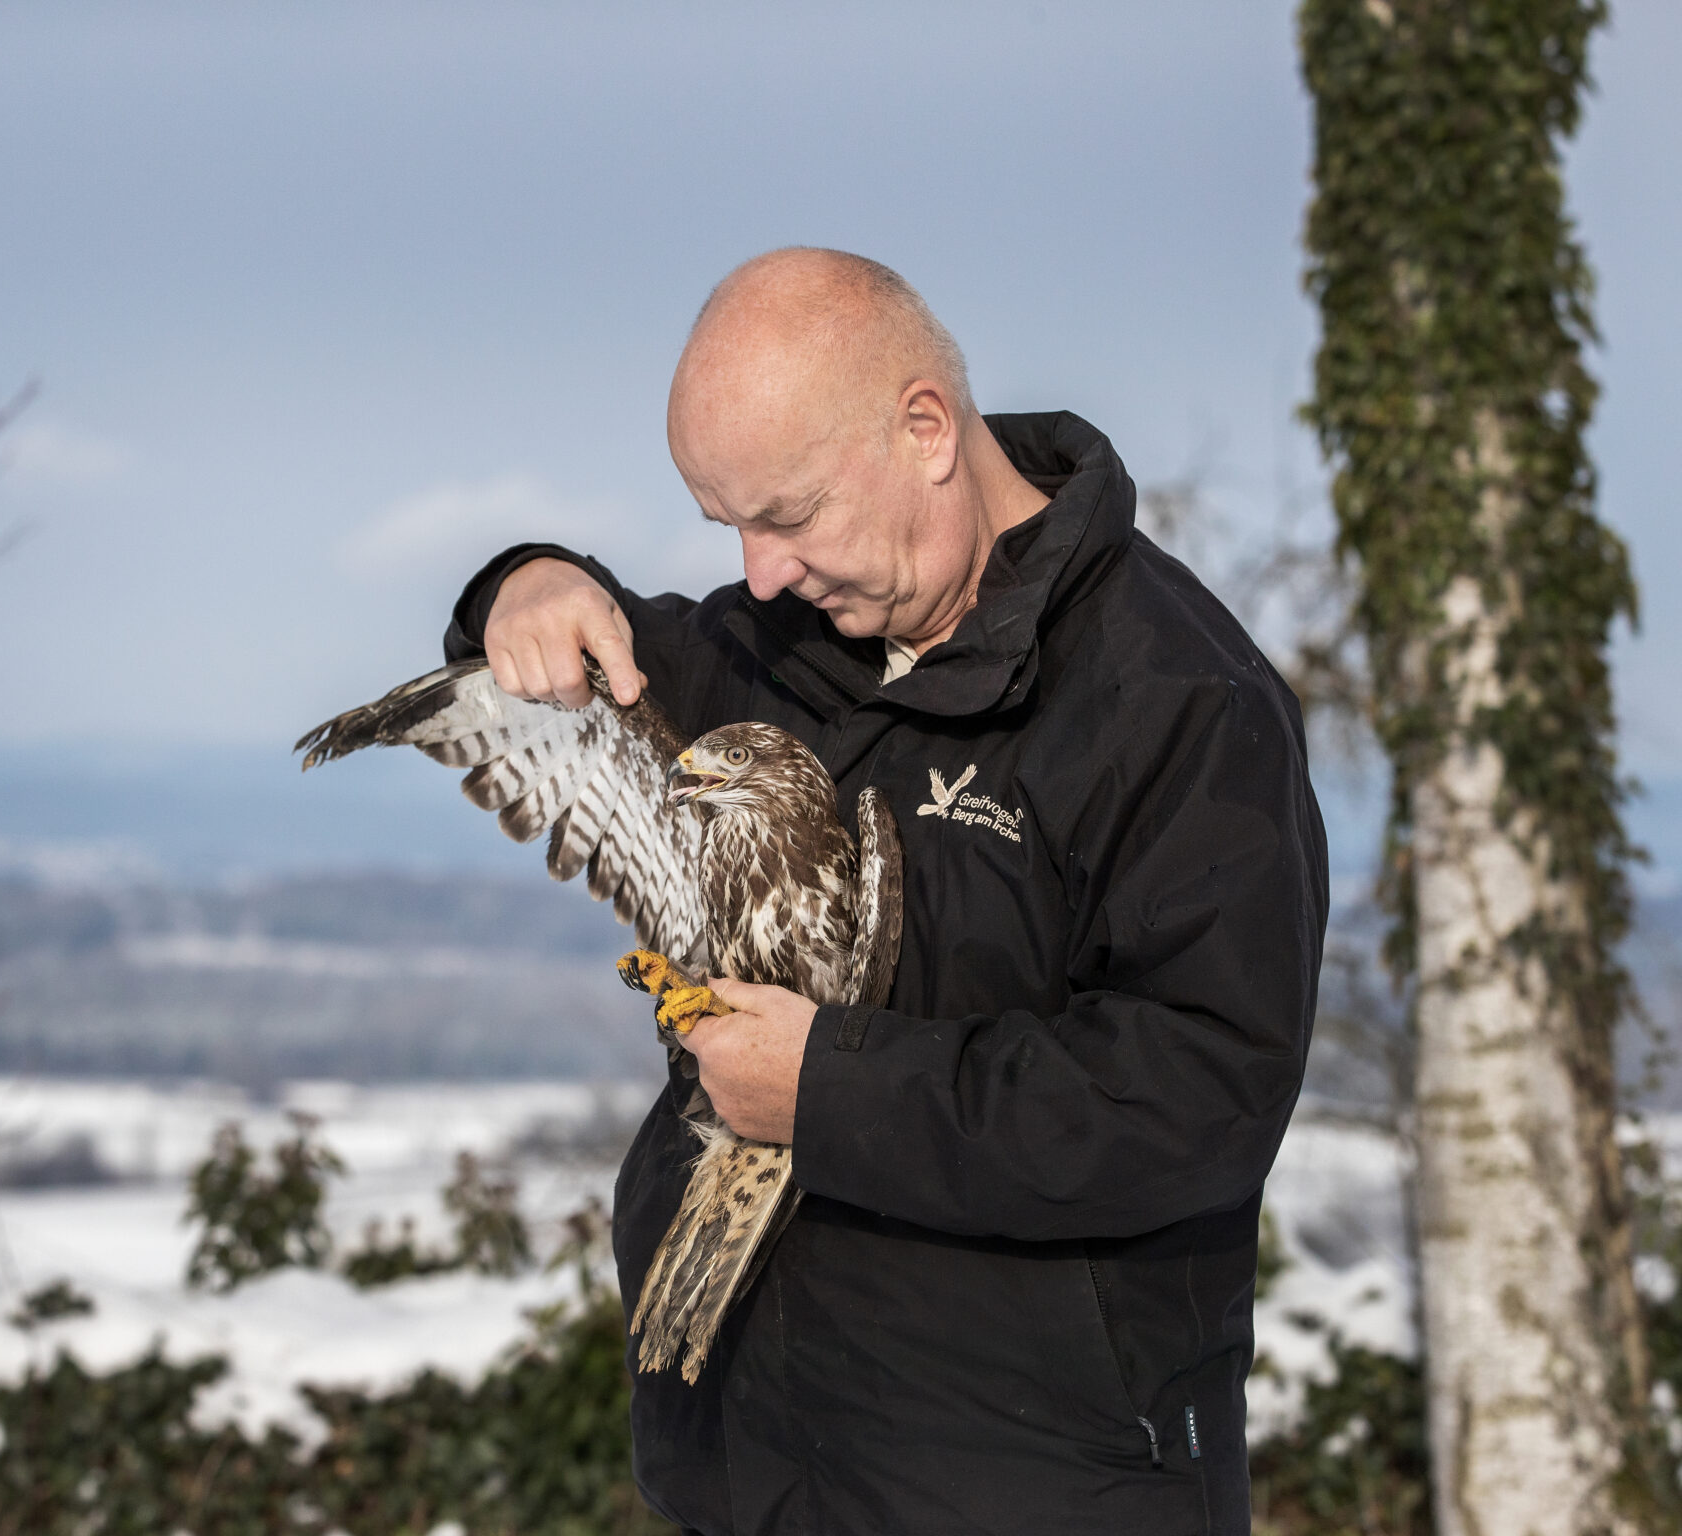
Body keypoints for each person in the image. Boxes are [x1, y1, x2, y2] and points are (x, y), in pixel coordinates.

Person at [443, 248, 1327, 1535]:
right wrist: (519, 584)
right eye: (725, 526)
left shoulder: (1178, 704)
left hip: (1040, 1490)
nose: (756, 574)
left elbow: (1195, 1095)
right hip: (753, 1474)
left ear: (924, 430)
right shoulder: (782, 637)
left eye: (787, 516)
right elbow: (585, 648)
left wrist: (827, 1090)